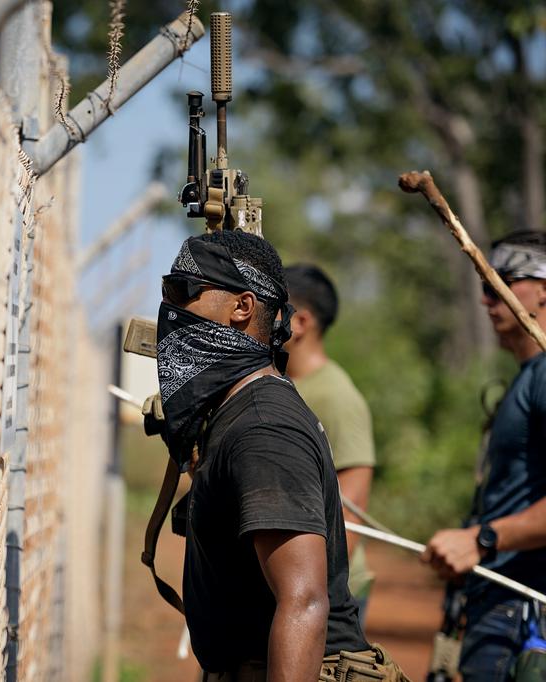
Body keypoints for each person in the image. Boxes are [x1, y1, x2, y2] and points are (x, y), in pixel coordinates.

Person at [155, 231, 406, 681]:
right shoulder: (239, 412)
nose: (171, 310)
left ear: (243, 308)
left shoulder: (264, 427)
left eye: (183, 292)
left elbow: (304, 600)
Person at [422, 230, 546, 681]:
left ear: (544, 290)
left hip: (524, 613)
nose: (485, 300)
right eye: (483, 286)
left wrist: (482, 540)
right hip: (497, 602)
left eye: (499, 285)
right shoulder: (528, 376)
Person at [284, 264, 377, 625]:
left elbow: (350, 513)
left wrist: (314, 597)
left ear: (300, 323)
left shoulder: (338, 397)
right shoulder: (281, 385)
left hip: (322, 595)